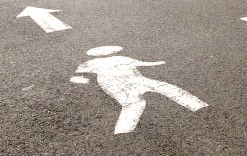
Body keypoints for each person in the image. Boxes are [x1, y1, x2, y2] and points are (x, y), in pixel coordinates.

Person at [71, 46, 207, 134]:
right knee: (135, 102)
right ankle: (124, 130)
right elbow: (78, 74)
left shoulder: (118, 58)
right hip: (112, 82)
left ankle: (199, 107)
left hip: (134, 78)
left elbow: (141, 63)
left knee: (163, 88)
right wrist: (81, 79)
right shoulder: (91, 63)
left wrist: (159, 62)